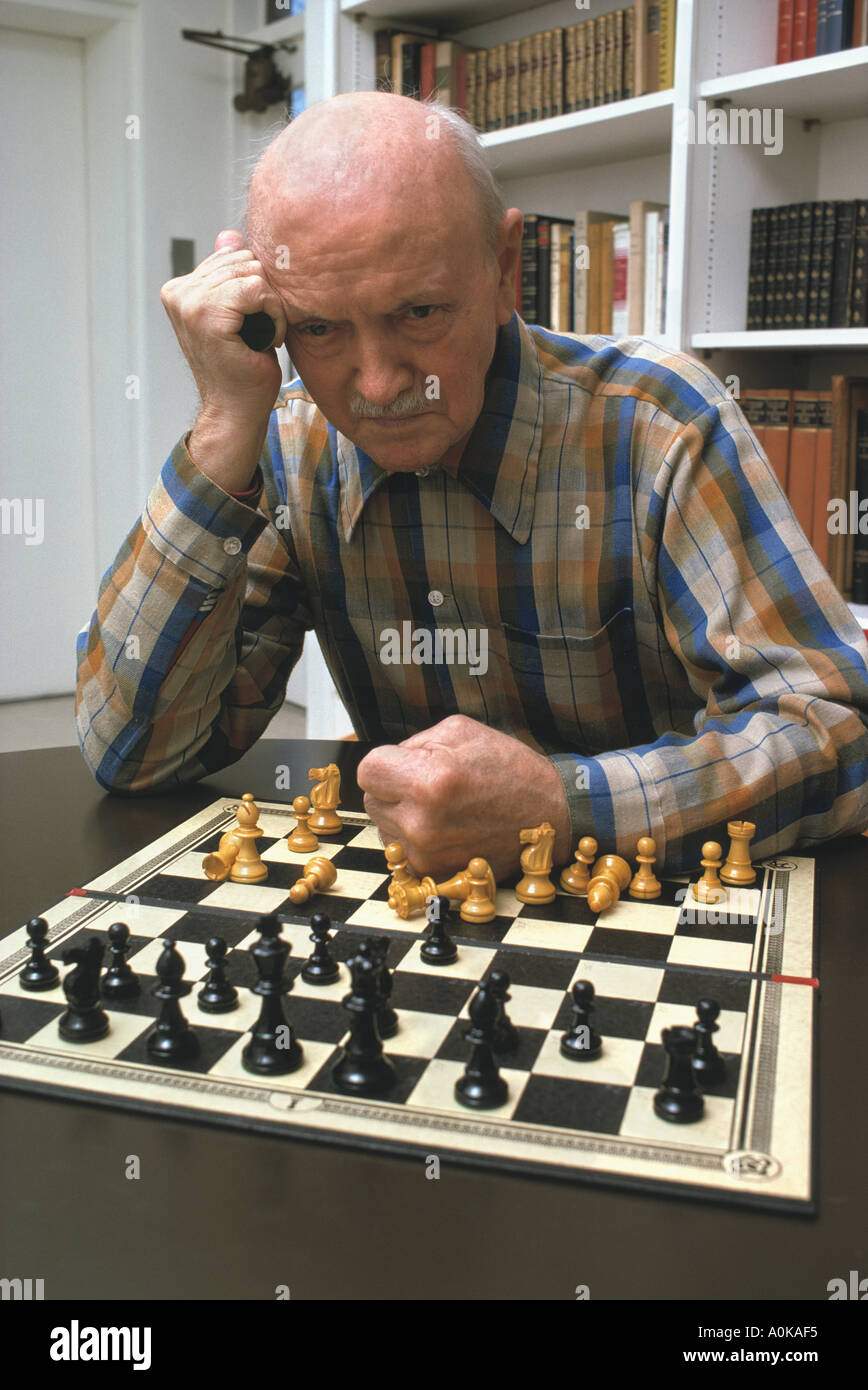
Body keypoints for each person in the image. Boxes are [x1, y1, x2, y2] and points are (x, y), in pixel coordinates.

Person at [75, 90, 868, 881]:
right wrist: (223, 425)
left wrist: (567, 806)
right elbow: (134, 756)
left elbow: (838, 732)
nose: (380, 386)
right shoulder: (286, 447)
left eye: (418, 311)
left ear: (504, 270)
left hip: (660, 918)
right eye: (318, 328)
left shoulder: (658, 425)